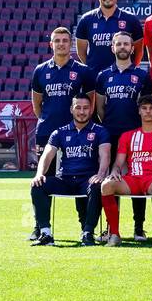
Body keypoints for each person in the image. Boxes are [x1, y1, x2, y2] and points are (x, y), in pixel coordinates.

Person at [29, 26, 95, 240]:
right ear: (51, 44)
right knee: (42, 179)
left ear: (71, 44)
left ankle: (85, 227)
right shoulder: (40, 70)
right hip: (47, 132)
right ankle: (41, 227)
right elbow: (37, 104)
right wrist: (50, 121)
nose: (61, 44)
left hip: (77, 133)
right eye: (57, 41)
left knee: (80, 175)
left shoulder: (83, 71)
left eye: (65, 40)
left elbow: (90, 101)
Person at [94, 30, 152, 240]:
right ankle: (111, 227)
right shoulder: (103, 76)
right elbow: (100, 108)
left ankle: (139, 227)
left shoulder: (142, 75)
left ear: (132, 48)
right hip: (110, 134)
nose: (122, 47)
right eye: (118, 44)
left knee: (139, 177)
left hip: (137, 136)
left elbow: (146, 107)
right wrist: (110, 126)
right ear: (112, 47)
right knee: (111, 179)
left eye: (126, 44)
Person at [29, 93, 109, 246]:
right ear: (71, 109)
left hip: (87, 180)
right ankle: (45, 233)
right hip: (65, 179)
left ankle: (87, 233)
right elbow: (47, 155)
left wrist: (100, 174)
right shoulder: (60, 132)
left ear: (91, 110)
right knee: (37, 184)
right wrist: (39, 174)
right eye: (78, 107)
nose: (82, 111)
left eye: (85, 108)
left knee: (97, 185)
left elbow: (105, 155)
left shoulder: (100, 131)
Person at [100, 95, 152, 246]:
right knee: (106, 185)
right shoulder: (128, 136)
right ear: (139, 112)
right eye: (144, 108)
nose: (148, 112)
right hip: (133, 179)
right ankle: (115, 234)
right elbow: (118, 163)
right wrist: (115, 171)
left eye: (151, 108)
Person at [75, 0, 143, 73]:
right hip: (95, 79)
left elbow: (139, 53)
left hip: (122, 79)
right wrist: (92, 68)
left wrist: (128, 70)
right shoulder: (86, 20)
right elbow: (81, 52)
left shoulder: (131, 19)